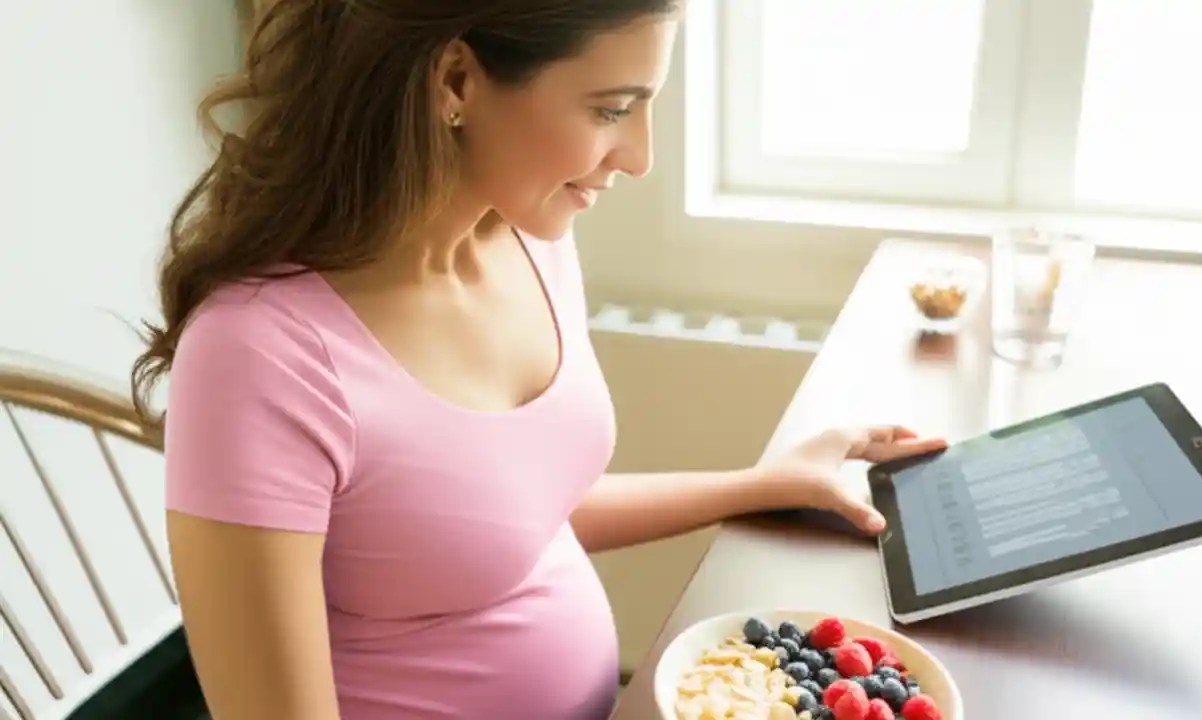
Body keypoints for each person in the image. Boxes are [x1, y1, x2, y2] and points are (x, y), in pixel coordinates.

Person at [129, 1, 946, 718]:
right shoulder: (260, 357)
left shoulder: (529, 241)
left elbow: (510, 516)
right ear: (454, 81)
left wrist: (762, 483)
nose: (639, 155)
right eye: (611, 109)